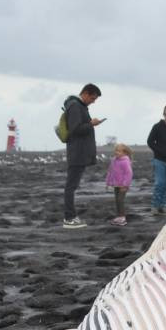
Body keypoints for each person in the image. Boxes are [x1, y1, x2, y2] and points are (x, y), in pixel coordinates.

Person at [61, 83, 104, 229]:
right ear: (85, 93)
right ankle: (69, 218)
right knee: (70, 186)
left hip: (79, 152)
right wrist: (91, 124)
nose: (93, 101)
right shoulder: (75, 106)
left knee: (72, 186)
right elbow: (75, 129)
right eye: (92, 98)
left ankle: (71, 216)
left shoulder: (78, 106)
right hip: (77, 153)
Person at [105, 143, 133, 226]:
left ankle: (122, 218)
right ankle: (119, 216)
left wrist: (125, 185)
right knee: (117, 200)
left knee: (120, 200)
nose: (116, 152)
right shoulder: (114, 160)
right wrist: (108, 182)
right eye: (116, 151)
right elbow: (110, 171)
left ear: (125, 153)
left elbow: (129, 174)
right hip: (116, 184)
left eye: (119, 151)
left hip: (123, 186)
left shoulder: (125, 161)